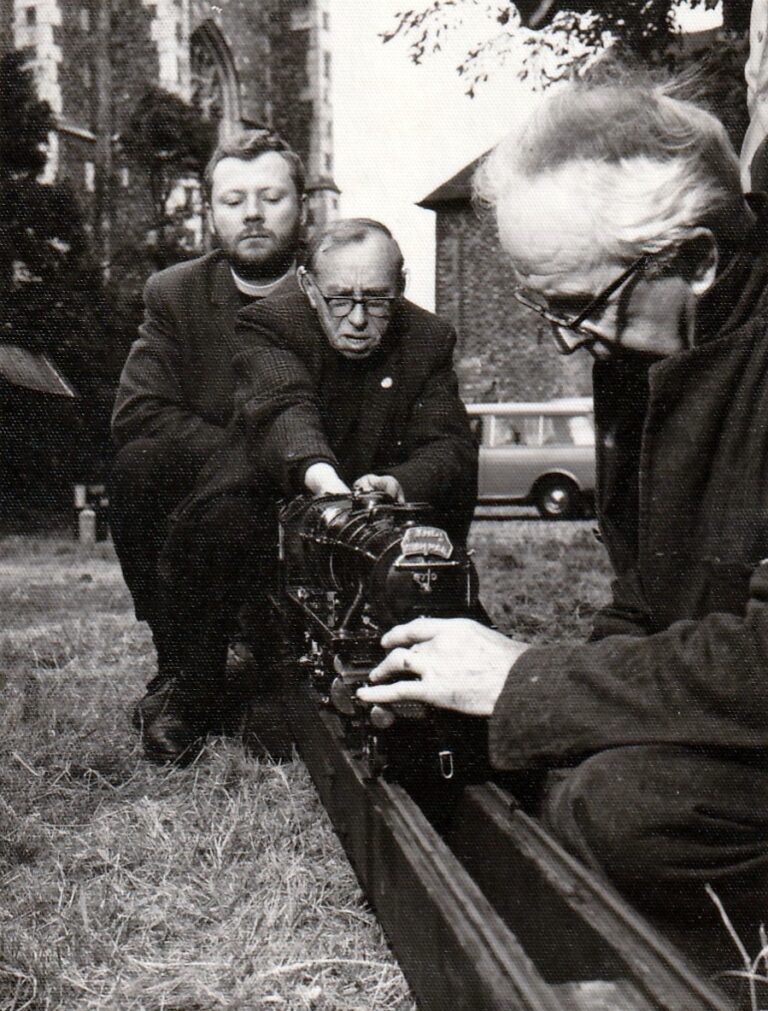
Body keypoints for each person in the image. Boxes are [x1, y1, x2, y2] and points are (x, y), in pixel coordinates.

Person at [357, 79, 768, 949]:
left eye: (578, 305)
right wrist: (491, 709)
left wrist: (530, 683)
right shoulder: (651, 349)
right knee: (565, 771)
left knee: (620, 809)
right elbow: (646, 601)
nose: (568, 341)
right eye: (541, 305)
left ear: (696, 258)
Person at [151, 218, 478, 762]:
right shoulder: (266, 323)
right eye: (340, 299)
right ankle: (192, 691)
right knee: (218, 526)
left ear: (401, 286)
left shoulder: (429, 338)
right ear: (307, 286)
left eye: (377, 300)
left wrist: (400, 483)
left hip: (374, 512)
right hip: (268, 495)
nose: (358, 319)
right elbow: (284, 407)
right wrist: (327, 485)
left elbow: (449, 446)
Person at [109, 128, 305, 753]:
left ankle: (277, 666)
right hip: (214, 495)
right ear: (212, 212)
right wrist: (248, 461)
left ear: (303, 204)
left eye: (271, 197)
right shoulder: (177, 293)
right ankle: (181, 668)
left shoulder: (337, 285)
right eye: (234, 200)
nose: (253, 214)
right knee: (139, 464)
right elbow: (138, 412)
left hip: (309, 491)